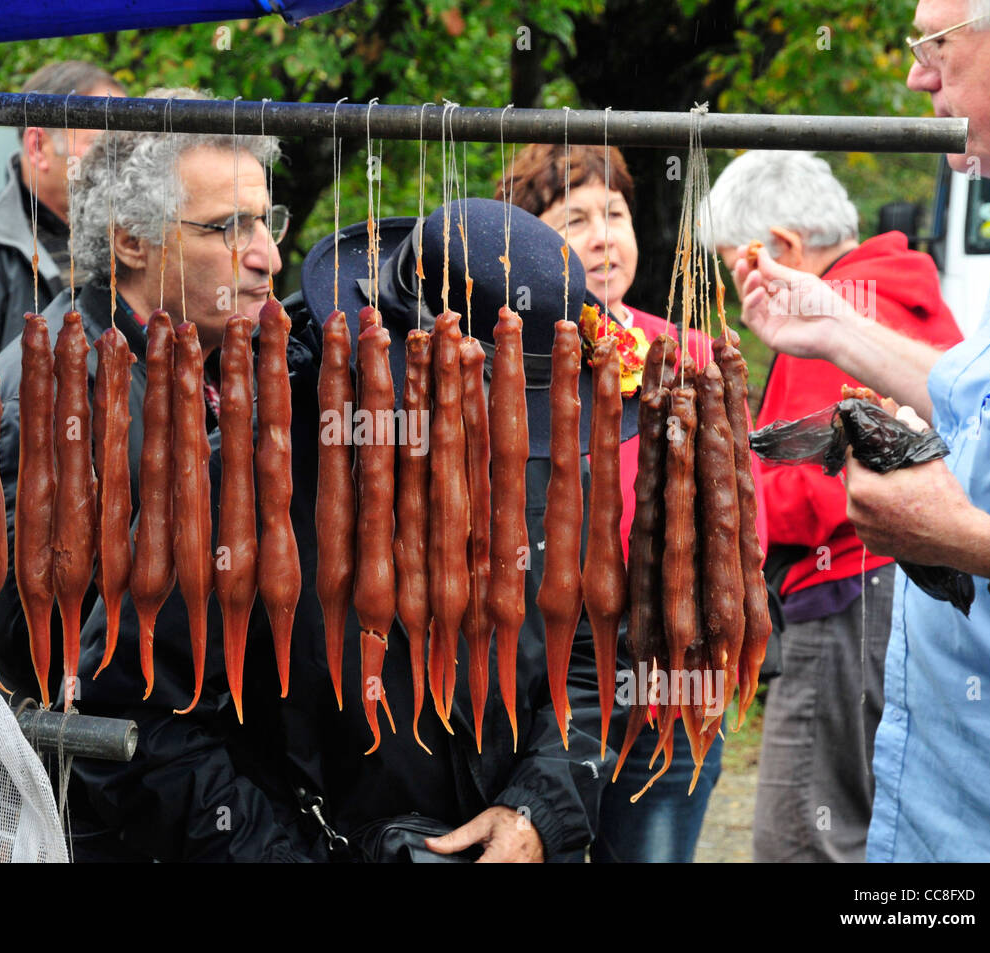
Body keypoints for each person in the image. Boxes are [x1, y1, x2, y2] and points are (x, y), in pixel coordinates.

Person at [64, 186, 611, 861]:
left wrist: (538, 808)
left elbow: (590, 654)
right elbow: (134, 710)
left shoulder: (544, 470)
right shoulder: (246, 476)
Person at [732, 0, 990, 862]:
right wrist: (833, 326)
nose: (914, 75)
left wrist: (968, 540)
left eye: (937, 46)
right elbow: (978, 401)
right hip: (943, 811)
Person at [0, 87, 286, 704]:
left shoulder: (224, 361)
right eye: (230, 228)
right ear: (131, 243)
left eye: (268, 221)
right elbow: (42, 657)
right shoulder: (56, 393)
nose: (266, 256)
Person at [498, 142, 762, 862]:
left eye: (614, 213)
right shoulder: (504, 361)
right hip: (533, 691)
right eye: (575, 217)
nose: (604, 236)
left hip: (664, 693)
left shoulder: (690, 356)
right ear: (525, 241)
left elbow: (741, 526)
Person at [703, 150, 962, 862]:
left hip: (841, 596)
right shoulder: (901, 290)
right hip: (906, 595)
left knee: (803, 836)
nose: (734, 286)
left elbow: (822, 491)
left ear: (779, 248)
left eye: (734, 265)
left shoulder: (838, 316)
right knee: (876, 823)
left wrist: (722, 498)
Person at [0, 60, 124, 370]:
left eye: (126, 145)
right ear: (38, 146)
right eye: (103, 145)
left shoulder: (138, 240)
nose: (121, 161)